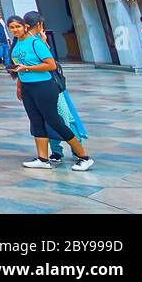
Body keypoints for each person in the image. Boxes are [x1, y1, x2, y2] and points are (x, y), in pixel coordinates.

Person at [8, 11, 94, 171]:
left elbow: (51, 65)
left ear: (25, 27)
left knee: (54, 120)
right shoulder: (16, 44)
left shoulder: (35, 43)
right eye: (12, 27)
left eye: (18, 26)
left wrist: (27, 68)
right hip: (28, 87)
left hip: (43, 86)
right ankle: (42, 158)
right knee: (36, 121)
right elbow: (18, 65)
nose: (15, 30)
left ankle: (84, 156)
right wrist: (19, 84)